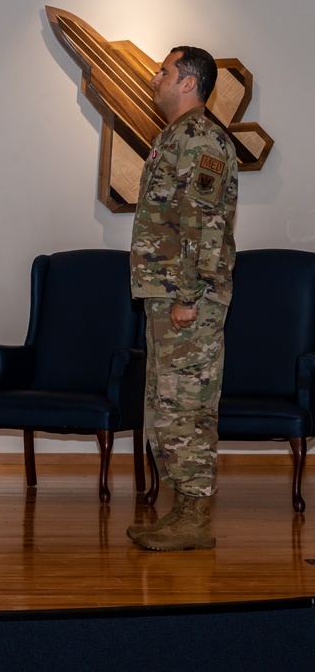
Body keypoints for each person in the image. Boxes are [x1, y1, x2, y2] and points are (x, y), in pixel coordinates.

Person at [127, 46, 238, 552]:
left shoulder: (202, 139)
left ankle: (194, 517)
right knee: (166, 404)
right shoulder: (174, 136)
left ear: (188, 82)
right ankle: (182, 512)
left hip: (187, 296)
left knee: (187, 406)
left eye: (165, 71)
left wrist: (189, 295)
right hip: (167, 294)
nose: (157, 77)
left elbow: (204, 223)